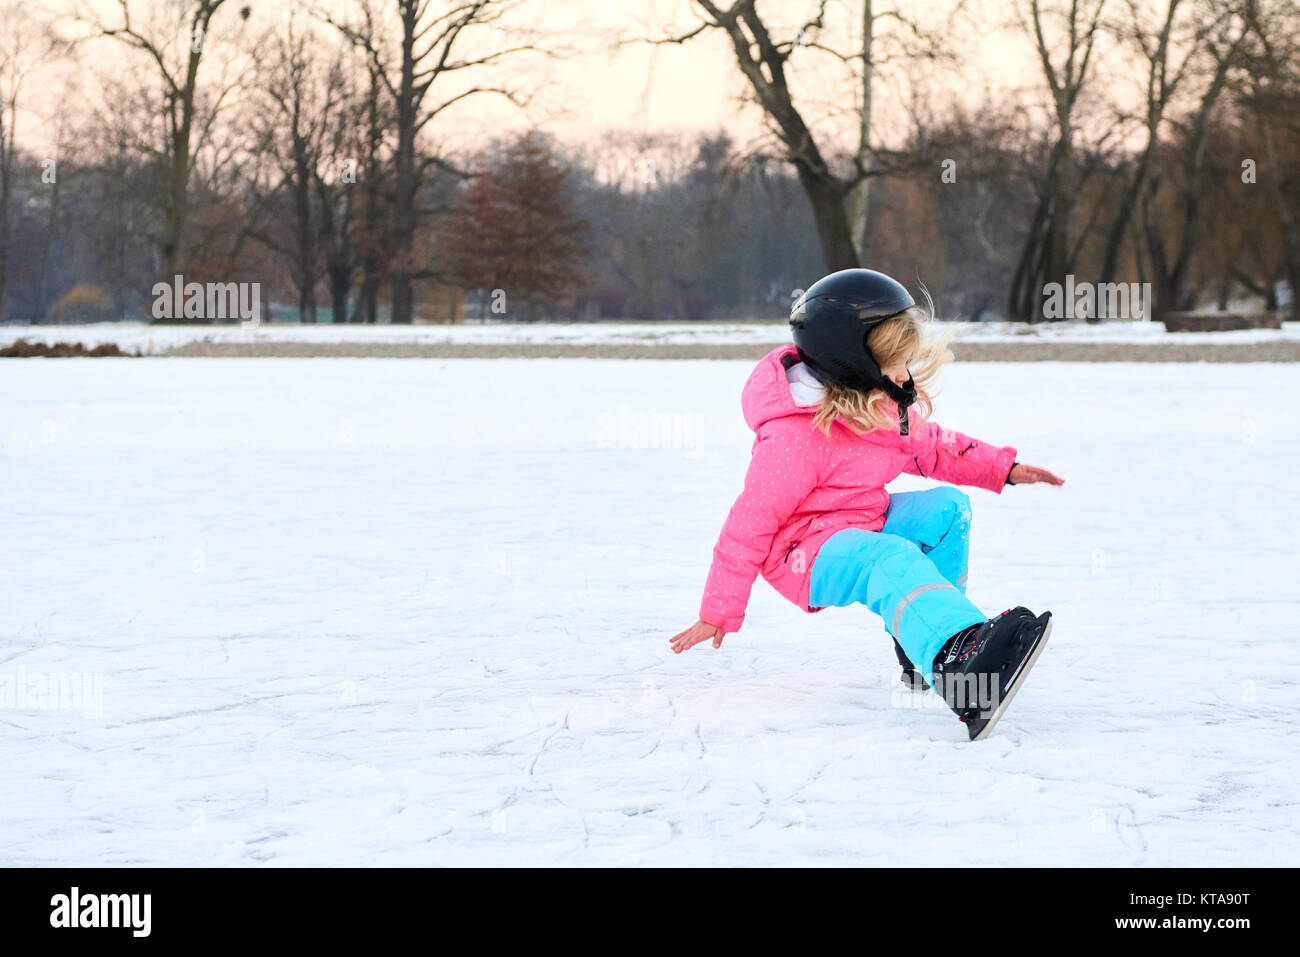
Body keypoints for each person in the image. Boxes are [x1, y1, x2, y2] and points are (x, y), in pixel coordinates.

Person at [670, 269, 1065, 740]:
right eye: (897, 363)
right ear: (853, 363)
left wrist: (1002, 468)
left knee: (948, 510)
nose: (906, 375)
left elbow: (934, 447)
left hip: (862, 520)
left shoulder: (880, 405)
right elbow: (749, 523)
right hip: (803, 555)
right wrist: (719, 607)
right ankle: (959, 667)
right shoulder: (794, 437)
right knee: (889, 559)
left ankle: (929, 641)